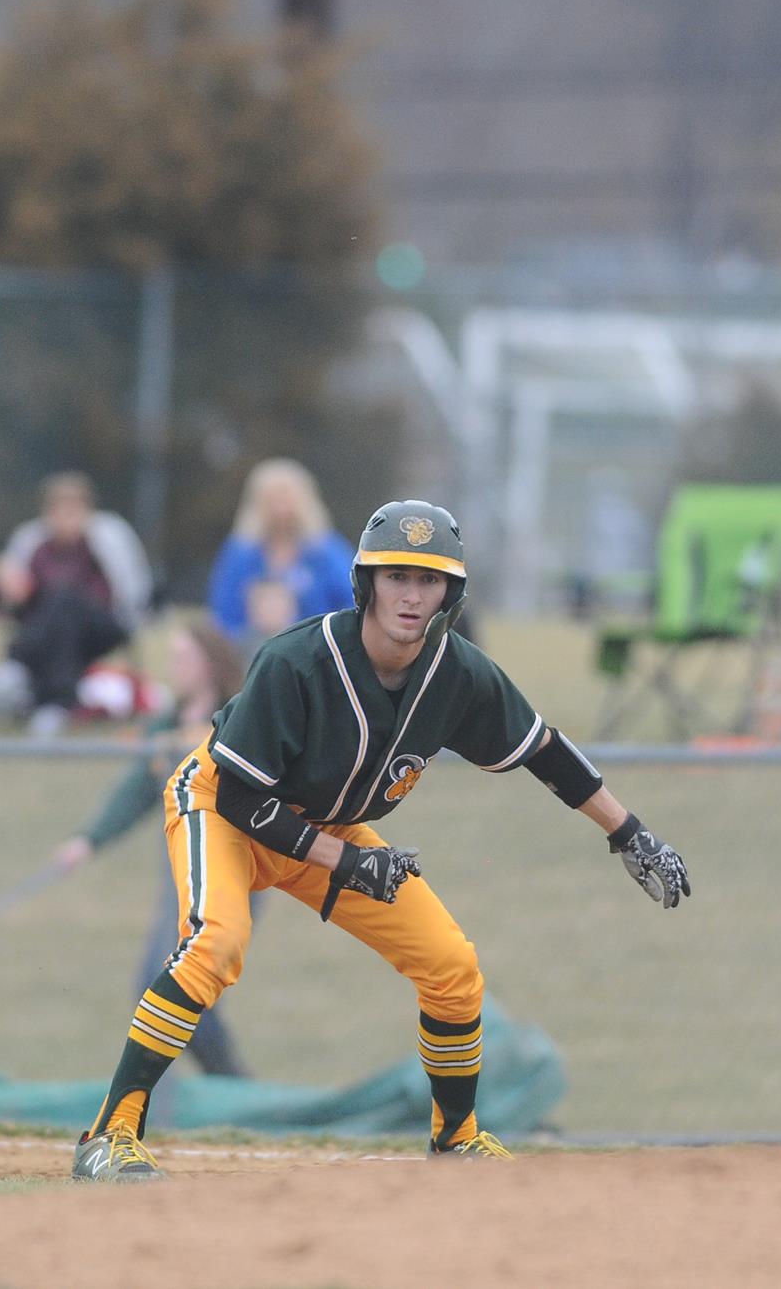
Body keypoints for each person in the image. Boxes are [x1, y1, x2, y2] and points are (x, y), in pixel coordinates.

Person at [71, 500, 691, 1178]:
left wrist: (629, 832)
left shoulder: (456, 672)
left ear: (449, 593)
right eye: (396, 574)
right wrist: (346, 859)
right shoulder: (297, 659)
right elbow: (245, 796)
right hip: (221, 806)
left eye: (428, 580)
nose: (411, 593)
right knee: (216, 942)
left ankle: (455, 1137)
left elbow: (544, 750)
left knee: (452, 965)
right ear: (367, 581)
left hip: (325, 829)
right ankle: (109, 1133)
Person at [52, 620, 260, 1081]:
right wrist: (88, 841)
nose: (173, 668)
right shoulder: (167, 727)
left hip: (235, 869)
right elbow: (137, 791)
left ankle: (231, 1088)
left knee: (183, 982)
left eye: (182, 658)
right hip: (183, 871)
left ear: (208, 665)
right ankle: (229, 1087)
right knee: (160, 982)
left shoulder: (240, 718)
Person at [0, 472, 152, 736]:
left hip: (100, 626)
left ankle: (23, 667)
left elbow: (133, 592)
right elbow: (11, 600)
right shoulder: (31, 542)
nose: (67, 515)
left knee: (65, 600)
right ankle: (53, 704)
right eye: (59, 508)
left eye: (74, 507)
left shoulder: (108, 537)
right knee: (59, 614)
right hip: (48, 634)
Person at [205, 459, 355, 647]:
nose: (280, 509)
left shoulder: (325, 552)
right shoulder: (240, 552)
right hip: (250, 652)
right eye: (271, 500)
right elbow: (223, 613)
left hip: (316, 651)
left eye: (287, 499)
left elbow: (351, 604)